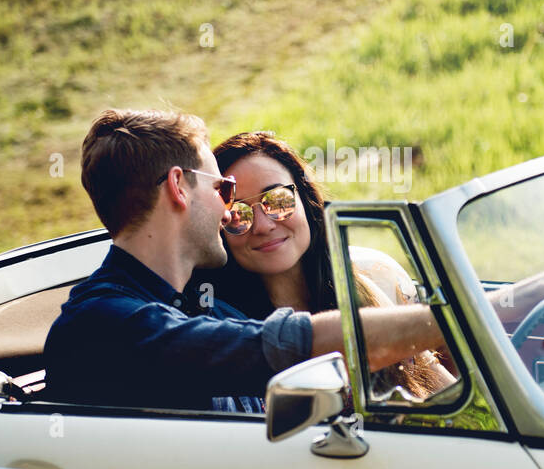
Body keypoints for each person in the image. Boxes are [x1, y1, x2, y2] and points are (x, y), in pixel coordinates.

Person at [41, 108, 544, 411]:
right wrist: (486, 307)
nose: (238, 209)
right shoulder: (107, 320)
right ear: (181, 188)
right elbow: (270, 345)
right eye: (225, 188)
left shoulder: (190, 310)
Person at [190, 131, 454, 401]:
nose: (263, 226)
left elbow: (443, 392)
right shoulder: (230, 332)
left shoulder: (375, 275)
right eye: (237, 214)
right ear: (219, 227)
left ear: (306, 199)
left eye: (279, 201)